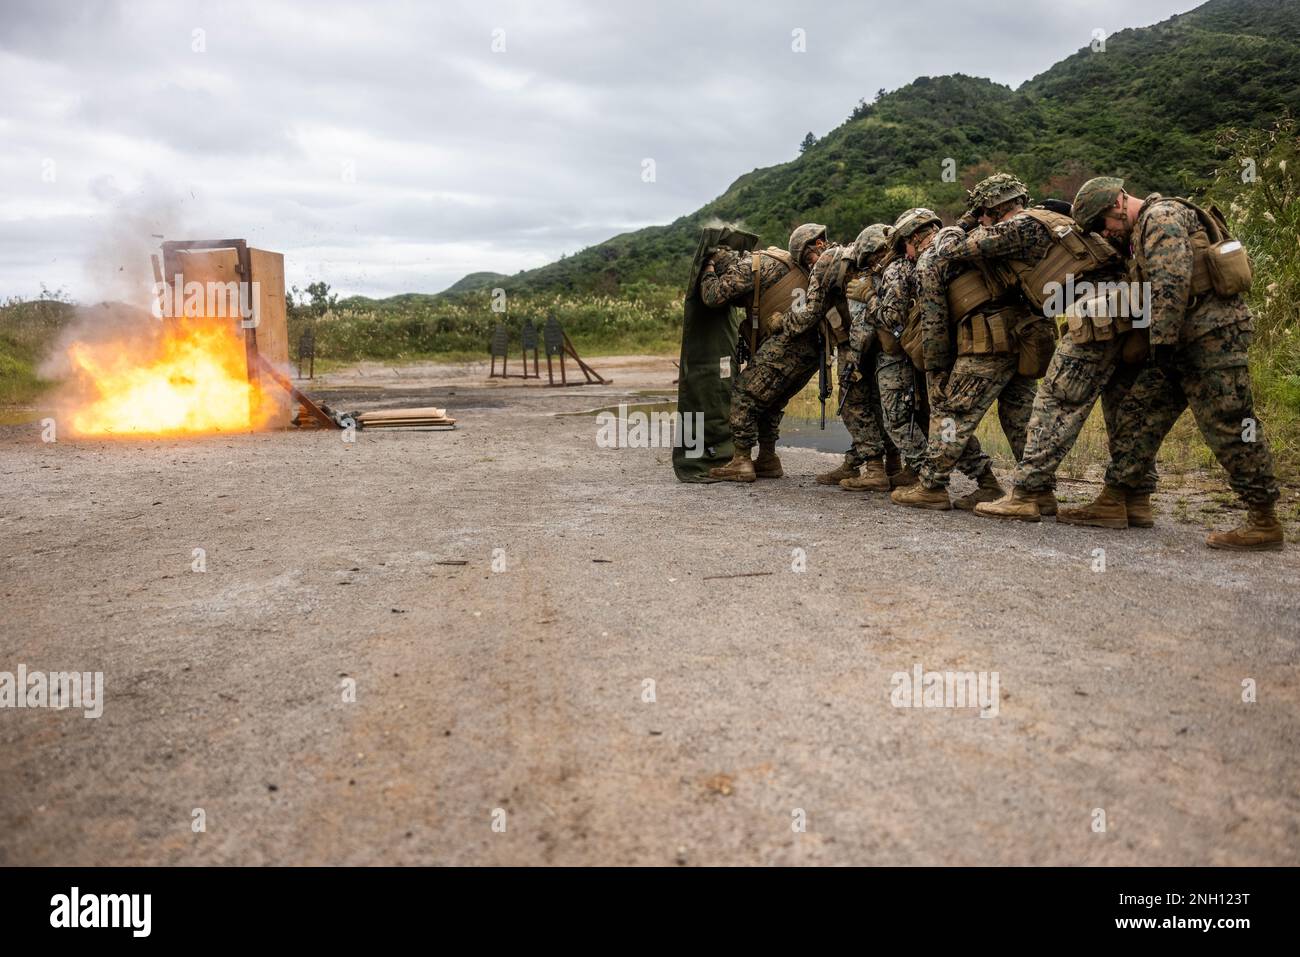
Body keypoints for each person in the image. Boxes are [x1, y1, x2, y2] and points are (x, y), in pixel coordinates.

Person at [1052, 177, 1283, 550]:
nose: (1105, 234)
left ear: (1117, 204)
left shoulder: (1160, 218)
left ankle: (1264, 519)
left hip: (1213, 338)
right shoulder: (1146, 225)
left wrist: (1158, 344)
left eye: (1102, 225)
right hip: (1181, 342)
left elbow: (1170, 284)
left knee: (1230, 424)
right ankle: (1118, 499)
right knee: (1138, 414)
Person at [705, 224, 826, 482]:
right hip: (812, 350)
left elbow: (712, 296)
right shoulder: (780, 260)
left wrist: (708, 269)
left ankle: (741, 461)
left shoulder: (747, 267)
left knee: (744, 394)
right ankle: (768, 458)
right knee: (771, 400)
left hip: (788, 343)